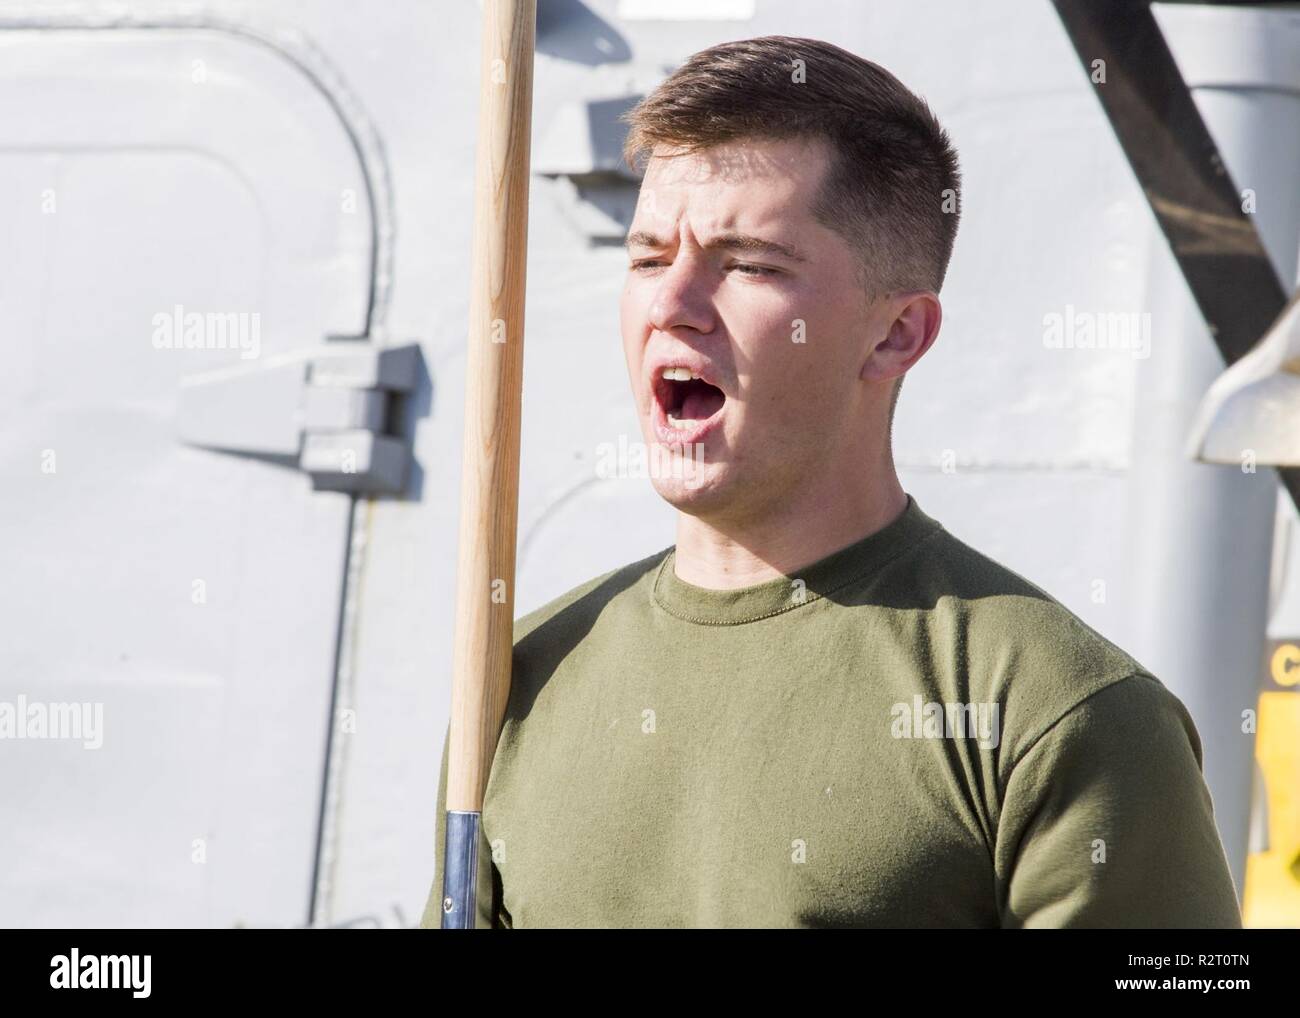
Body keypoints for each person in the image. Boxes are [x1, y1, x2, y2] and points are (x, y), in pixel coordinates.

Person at [420, 35, 1241, 928]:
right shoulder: (515, 680)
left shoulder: (1057, 715)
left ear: (896, 336)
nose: (670, 305)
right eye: (650, 258)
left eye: (749, 265)